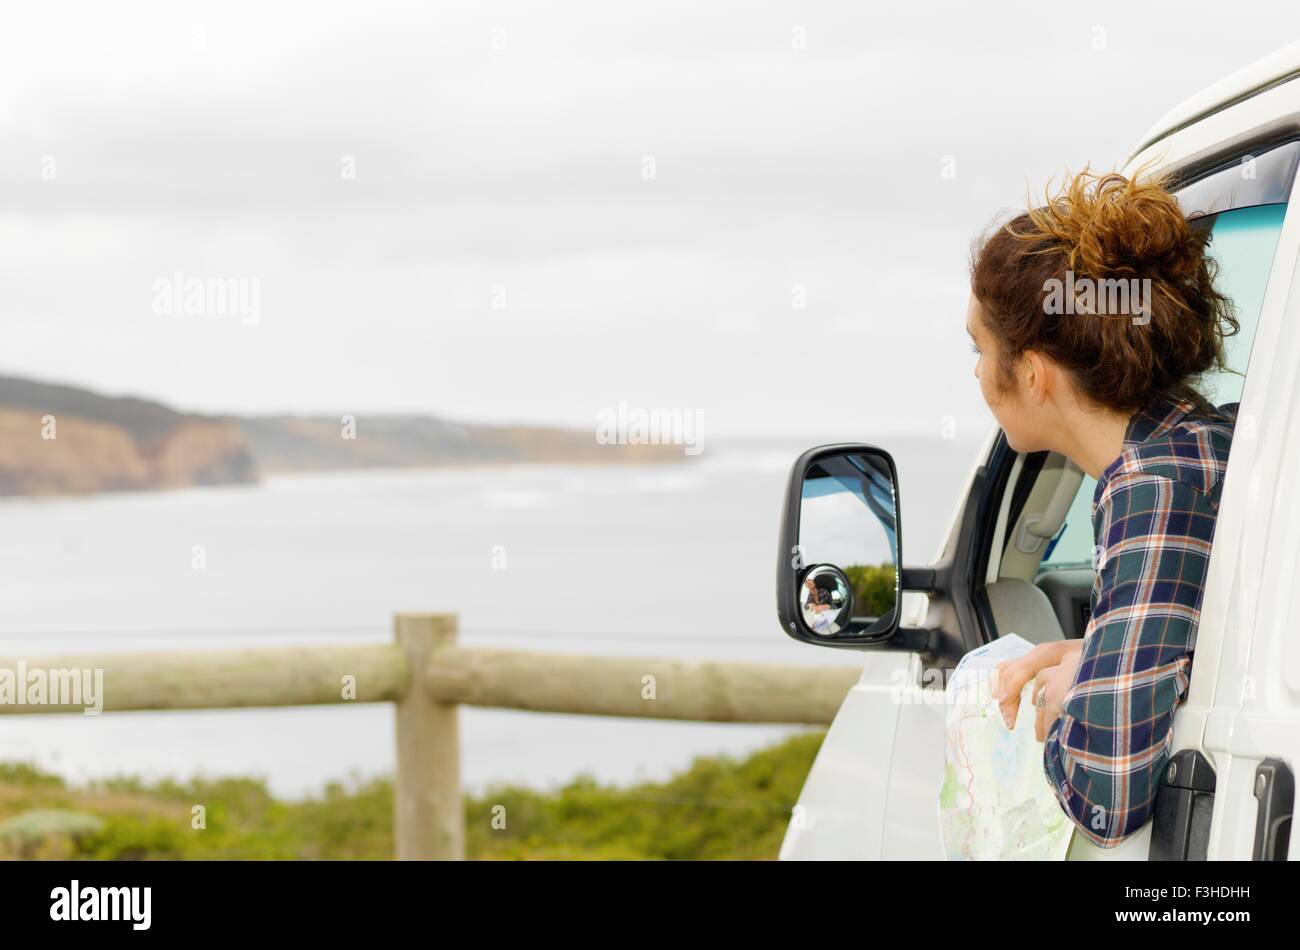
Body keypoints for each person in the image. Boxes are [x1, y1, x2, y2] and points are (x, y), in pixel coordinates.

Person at [970, 168, 1239, 847]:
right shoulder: (1203, 441)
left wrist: (1069, 702)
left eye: (979, 350)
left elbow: (1107, 795)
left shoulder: (1150, 486)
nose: (976, 373)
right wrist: (1097, 656)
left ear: (1032, 373)